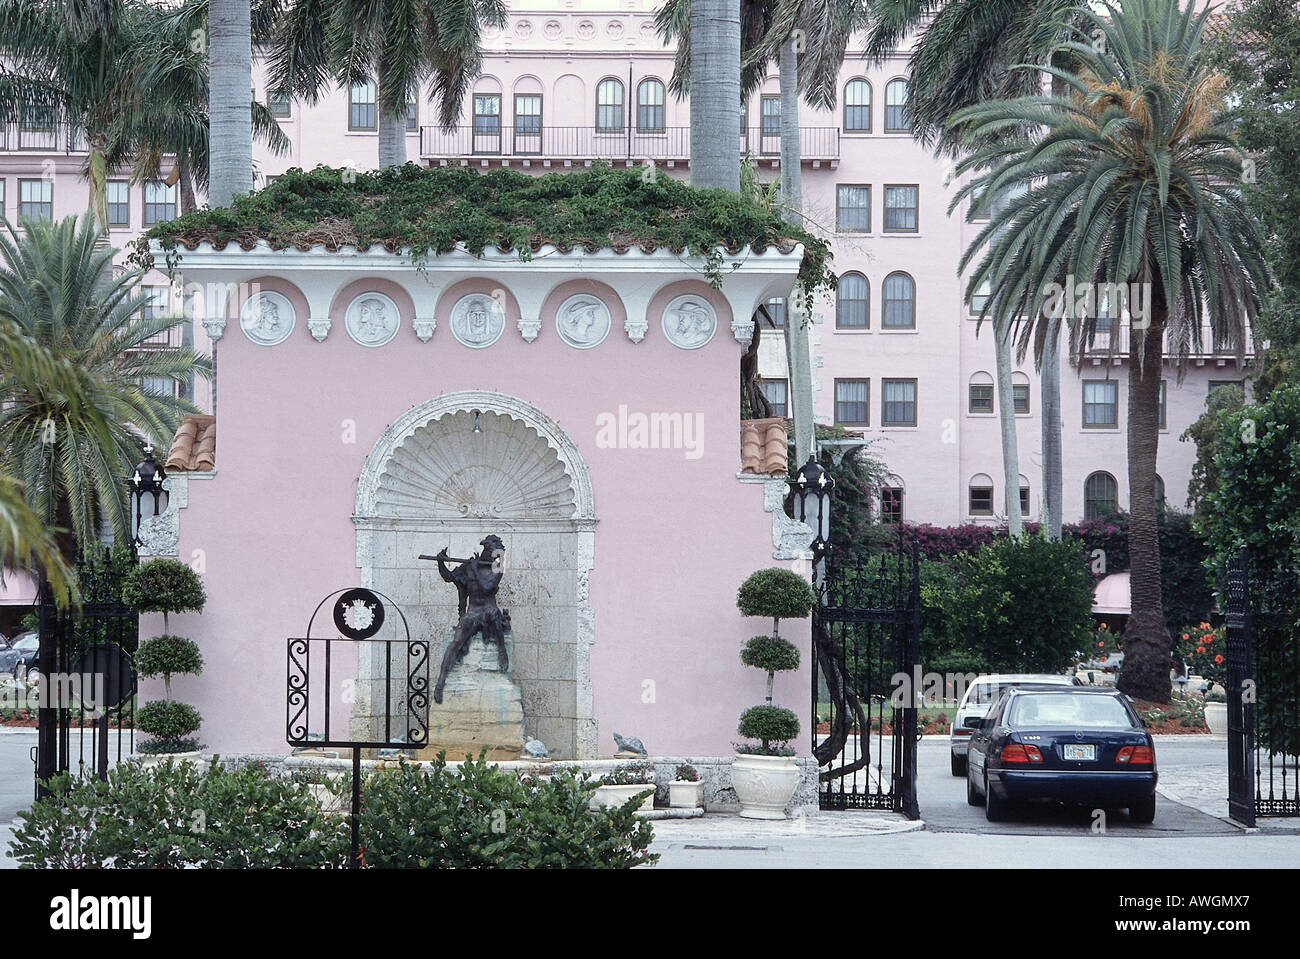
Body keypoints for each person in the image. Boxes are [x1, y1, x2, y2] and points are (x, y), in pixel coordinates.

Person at [428, 535, 509, 704]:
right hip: (473, 610)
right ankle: (441, 682)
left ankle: (502, 651)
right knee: (456, 642)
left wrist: (474, 570)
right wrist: (440, 562)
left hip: (488, 608)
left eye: (497, 554)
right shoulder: (469, 566)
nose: (495, 557)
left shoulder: (497, 567)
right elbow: (449, 577)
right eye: (493, 553)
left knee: (494, 616)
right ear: (485, 550)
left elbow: (488, 588)